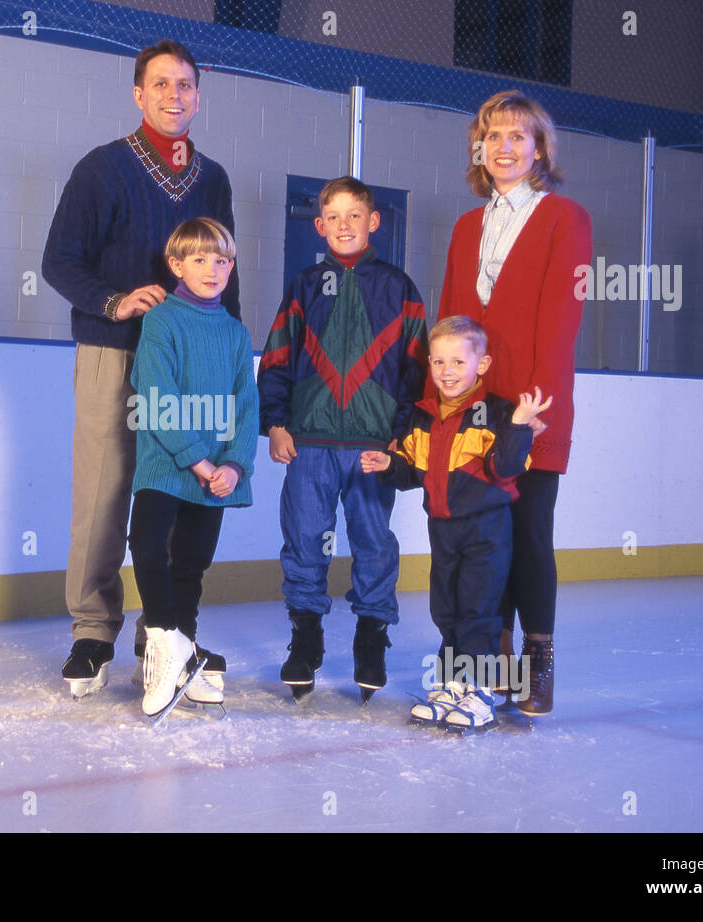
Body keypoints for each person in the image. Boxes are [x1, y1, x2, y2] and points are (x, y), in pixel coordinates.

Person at [42, 40, 239, 698]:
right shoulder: (101, 169)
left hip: (189, 364)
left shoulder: (212, 178)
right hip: (114, 350)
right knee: (103, 491)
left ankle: (168, 630)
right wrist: (114, 300)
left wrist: (232, 349)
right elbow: (60, 260)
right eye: (160, 84)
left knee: (177, 491)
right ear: (138, 93)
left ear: (197, 96)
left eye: (185, 84)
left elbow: (225, 276)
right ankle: (93, 630)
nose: (173, 95)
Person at [437, 90, 592, 715]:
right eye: (493, 136)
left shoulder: (566, 218)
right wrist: (446, 403)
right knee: (480, 536)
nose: (504, 147)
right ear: (480, 147)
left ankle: (538, 662)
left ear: (539, 149)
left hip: (529, 405)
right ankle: (482, 663)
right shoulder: (465, 225)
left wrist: (534, 411)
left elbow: (562, 318)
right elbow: (451, 318)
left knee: (528, 533)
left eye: (518, 137)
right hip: (473, 406)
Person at [258, 176, 427, 702]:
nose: (346, 225)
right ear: (320, 225)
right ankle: (305, 637)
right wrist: (277, 421)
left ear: (374, 222)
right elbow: (277, 359)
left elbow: (417, 373)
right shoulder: (304, 286)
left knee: (374, 543)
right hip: (309, 442)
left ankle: (370, 637)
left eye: (356, 215)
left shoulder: (399, 288)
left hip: (374, 447)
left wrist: (402, 440)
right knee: (305, 537)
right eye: (335, 216)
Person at [361, 316, 550, 729]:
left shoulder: (497, 412)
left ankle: (482, 691)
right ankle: (453, 686)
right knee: (446, 609)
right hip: (443, 531)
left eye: (458, 363)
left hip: (486, 531)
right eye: (439, 363)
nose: (447, 372)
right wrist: (387, 463)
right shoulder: (424, 416)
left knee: (477, 612)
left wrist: (518, 426)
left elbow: (506, 468)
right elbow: (414, 470)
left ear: (480, 365)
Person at [128, 218, 256, 717]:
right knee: (147, 544)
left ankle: (186, 655)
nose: (212, 269)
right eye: (199, 259)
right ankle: (167, 643)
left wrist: (234, 465)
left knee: (192, 562)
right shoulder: (163, 321)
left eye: (221, 260)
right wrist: (197, 460)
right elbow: (157, 395)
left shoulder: (234, 332)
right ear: (176, 265)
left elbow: (246, 403)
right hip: (168, 461)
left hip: (216, 472)